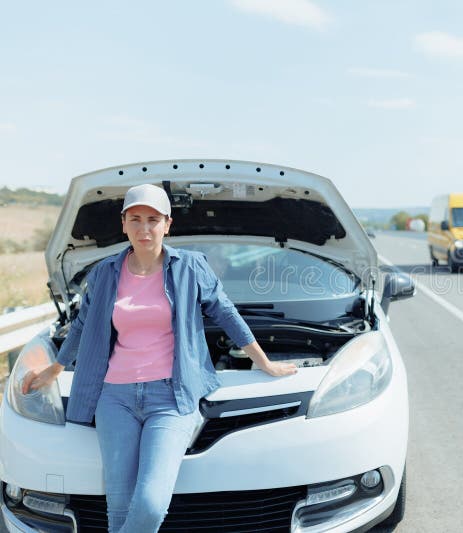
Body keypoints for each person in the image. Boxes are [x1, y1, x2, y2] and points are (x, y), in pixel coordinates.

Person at [21, 183, 297, 533]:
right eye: (135, 219)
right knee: (119, 510)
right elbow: (81, 324)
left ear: (167, 224)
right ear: (123, 223)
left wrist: (263, 361)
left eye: (153, 220)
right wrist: (55, 369)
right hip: (115, 398)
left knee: (150, 505)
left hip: (171, 397)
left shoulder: (190, 267)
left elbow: (226, 313)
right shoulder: (105, 272)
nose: (144, 228)